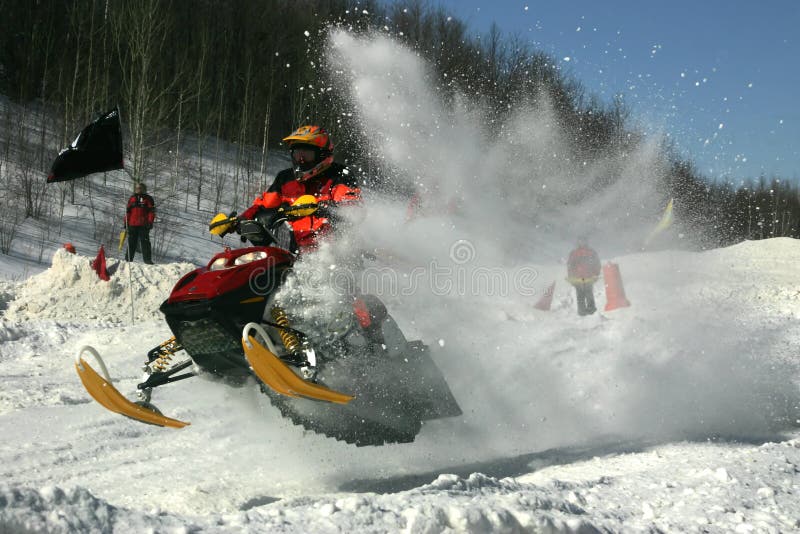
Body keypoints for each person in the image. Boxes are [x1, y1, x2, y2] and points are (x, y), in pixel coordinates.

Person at [237, 125, 361, 251]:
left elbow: (352, 212)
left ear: (322, 154)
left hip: (329, 252)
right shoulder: (285, 178)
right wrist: (240, 220)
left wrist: (320, 208)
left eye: (307, 154)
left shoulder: (339, 175)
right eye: (297, 154)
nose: (301, 160)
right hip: (288, 249)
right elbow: (263, 205)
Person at [567, 236, 601, 316]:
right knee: (580, 295)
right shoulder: (574, 253)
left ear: (586, 242)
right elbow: (570, 266)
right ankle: (582, 312)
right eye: (580, 241)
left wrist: (596, 274)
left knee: (589, 294)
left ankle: (591, 311)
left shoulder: (591, 252)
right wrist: (571, 277)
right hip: (578, 278)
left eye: (583, 241)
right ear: (578, 242)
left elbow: (597, 264)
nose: (582, 243)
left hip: (589, 277)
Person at [125, 182, 155, 264]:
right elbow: (127, 212)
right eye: (137, 188)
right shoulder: (132, 198)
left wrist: (150, 222)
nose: (138, 189)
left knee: (145, 243)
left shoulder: (149, 199)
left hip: (144, 225)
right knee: (131, 242)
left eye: (140, 188)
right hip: (132, 224)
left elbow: (151, 212)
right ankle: (128, 260)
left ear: (144, 189)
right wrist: (126, 222)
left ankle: (147, 260)